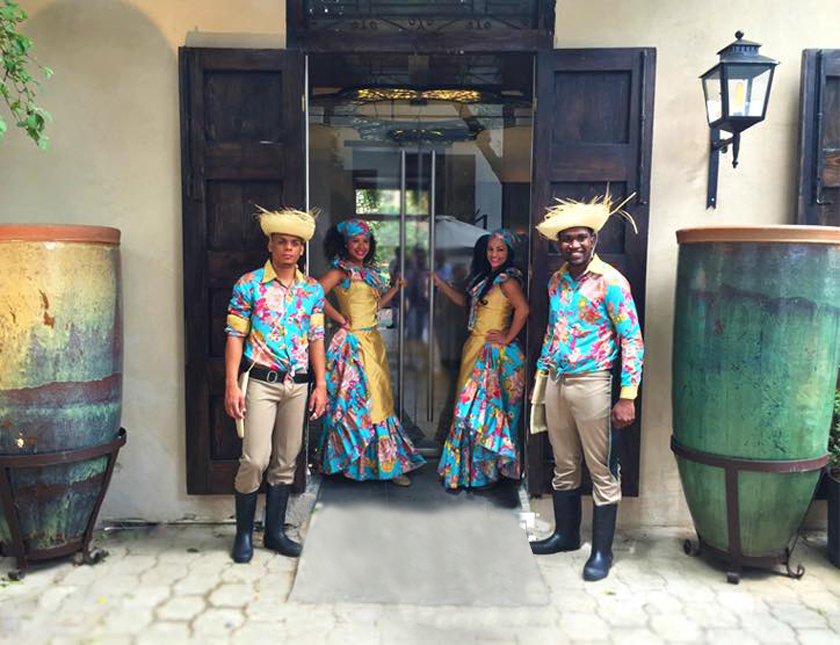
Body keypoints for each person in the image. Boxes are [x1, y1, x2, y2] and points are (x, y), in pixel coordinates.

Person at [529, 194, 644, 583]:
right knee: (563, 465)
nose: (573, 245)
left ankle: (602, 552)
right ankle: (564, 536)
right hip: (558, 382)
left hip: (595, 382)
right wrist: (542, 375)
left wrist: (627, 396)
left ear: (593, 239)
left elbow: (632, 339)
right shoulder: (556, 281)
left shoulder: (612, 282)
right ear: (558, 243)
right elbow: (553, 330)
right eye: (566, 239)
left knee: (601, 469)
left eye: (580, 238)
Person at [224, 206, 328, 563]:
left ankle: (274, 533)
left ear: (302, 249)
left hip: (297, 385)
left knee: (286, 461)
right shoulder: (249, 284)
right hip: (260, 382)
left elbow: (316, 337)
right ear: (270, 245)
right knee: (255, 459)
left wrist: (321, 385)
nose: (288, 249)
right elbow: (235, 336)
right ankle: (242, 535)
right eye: (282, 242)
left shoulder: (312, 290)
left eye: (295, 244)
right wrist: (231, 385)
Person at [318, 219, 426, 485]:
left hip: (373, 341)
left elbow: (374, 305)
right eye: (355, 241)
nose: (361, 246)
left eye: (365, 241)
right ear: (345, 243)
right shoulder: (340, 271)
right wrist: (338, 318)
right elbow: (313, 294)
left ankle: (384, 463)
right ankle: (372, 465)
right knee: (360, 403)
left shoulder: (366, 272)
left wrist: (395, 290)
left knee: (380, 399)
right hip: (352, 345)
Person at [432, 229, 530, 490]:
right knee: (470, 411)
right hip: (474, 348)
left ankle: (484, 473)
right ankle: (469, 472)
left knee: (483, 412)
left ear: (508, 253)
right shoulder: (485, 278)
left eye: (500, 249)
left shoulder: (508, 280)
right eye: (490, 249)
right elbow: (466, 303)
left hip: (494, 355)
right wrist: (440, 284)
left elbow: (524, 309)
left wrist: (508, 337)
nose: (494, 254)